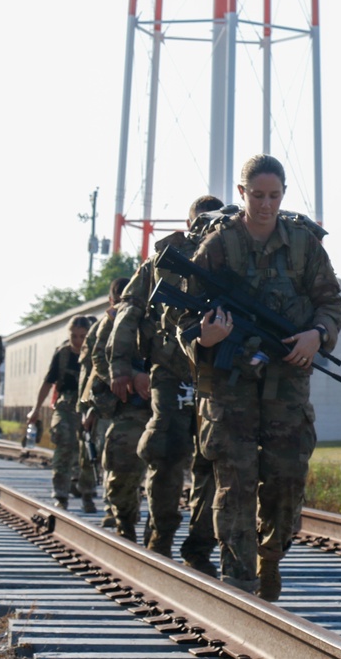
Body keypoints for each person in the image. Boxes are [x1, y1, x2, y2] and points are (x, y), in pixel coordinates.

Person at [182, 154, 341, 600]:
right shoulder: (218, 245)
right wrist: (206, 339)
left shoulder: (304, 245)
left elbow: (331, 302)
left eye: (274, 196)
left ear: (284, 195)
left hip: (286, 383)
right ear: (241, 194)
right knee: (234, 483)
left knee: (286, 480)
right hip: (228, 386)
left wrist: (317, 335)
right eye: (257, 195)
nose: (266, 204)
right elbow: (183, 319)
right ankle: (238, 579)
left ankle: (270, 557)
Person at [109, 194, 224, 576]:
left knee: (213, 459)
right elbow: (129, 312)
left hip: (216, 375)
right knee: (167, 451)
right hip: (170, 373)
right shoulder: (161, 263)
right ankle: (160, 540)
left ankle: (199, 546)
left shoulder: (232, 256)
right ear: (190, 223)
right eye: (201, 222)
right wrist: (122, 367)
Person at [95, 284, 153, 541]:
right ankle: (125, 527)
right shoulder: (116, 319)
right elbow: (100, 358)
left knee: (167, 480)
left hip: (176, 404)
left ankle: (158, 538)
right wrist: (133, 375)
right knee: (121, 472)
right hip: (133, 406)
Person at [28, 315, 96, 510]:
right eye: (74, 336)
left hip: (88, 406)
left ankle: (87, 494)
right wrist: (35, 410)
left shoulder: (95, 354)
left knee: (88, 451)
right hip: (65, 406)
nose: (78, 340)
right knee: (64, 448)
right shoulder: (63, 354)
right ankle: (61, 495)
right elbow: (48, 382)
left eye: (82, 336)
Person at [80, 279, 130, 527]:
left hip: (133, 399)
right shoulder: (101, 328)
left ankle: (120, 507)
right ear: (112, 301)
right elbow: (90, 371)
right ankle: (111, 507)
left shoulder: (139, 320)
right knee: (108, 455)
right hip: (106, 402)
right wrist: (88, 407)